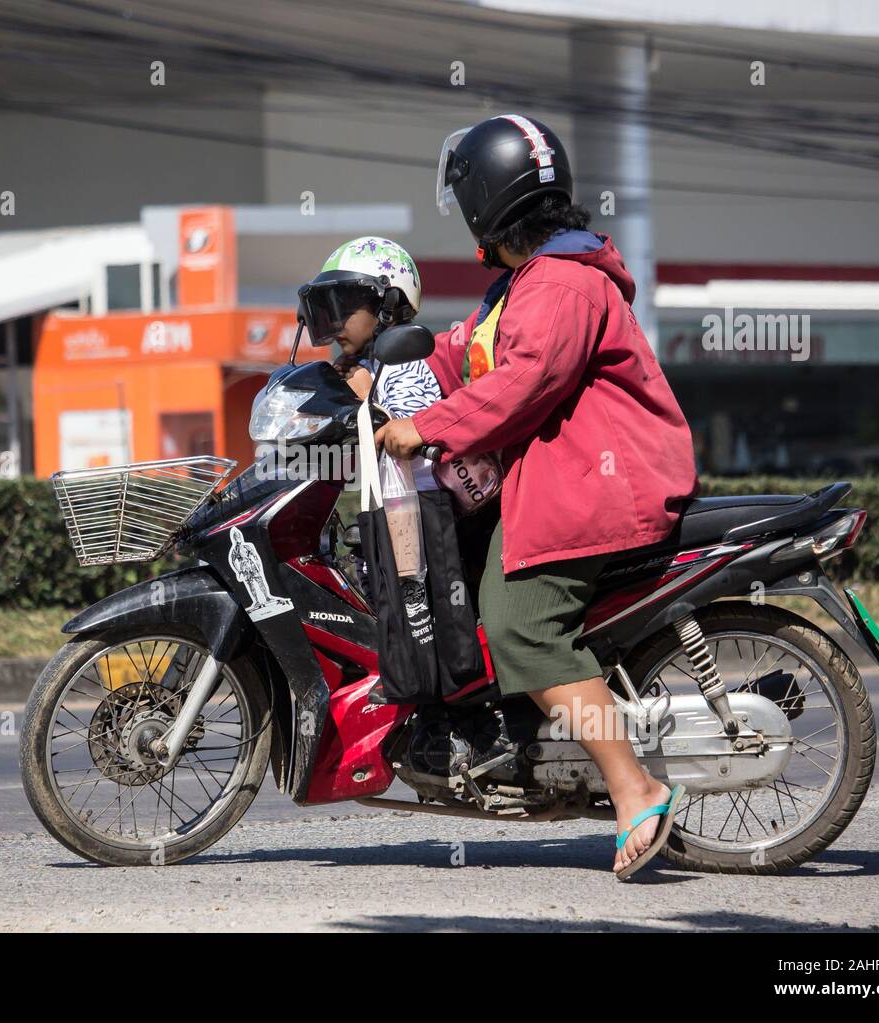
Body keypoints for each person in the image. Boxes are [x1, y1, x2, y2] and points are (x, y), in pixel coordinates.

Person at [374, 114, 700, 880]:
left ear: (489, 206)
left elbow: (521, 386)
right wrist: (370, 369)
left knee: (518, 621)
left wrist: (425, 427)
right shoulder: (526, 285)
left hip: (600, 487)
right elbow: (463, 353)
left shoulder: (559, 284)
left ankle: (635, 786)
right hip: (572, 479)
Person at [297, 236, 442, 490]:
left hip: (420, 508)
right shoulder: (368, 365)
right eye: (331, 310)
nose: (335, 322)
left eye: (345, 308)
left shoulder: (405, 361)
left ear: (388, 304)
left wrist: (365, 397)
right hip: (385, 504)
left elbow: (407, 440)